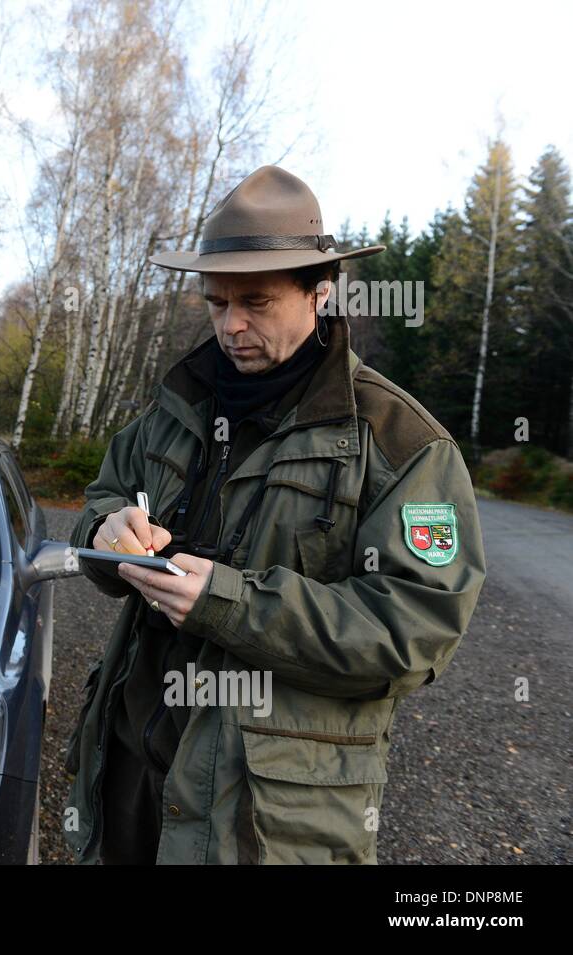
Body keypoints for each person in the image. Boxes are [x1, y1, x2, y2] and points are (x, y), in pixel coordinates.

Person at [61, 165, 486, 864]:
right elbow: (100, 504)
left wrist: (225, 602)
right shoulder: (177, 406)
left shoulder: (400, 444)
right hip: (128, 781)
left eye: (255, 301)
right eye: (215, 302)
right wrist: (106, 533)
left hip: (266, 821)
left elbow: (414, 628)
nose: (231, 325)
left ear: (320, 292)